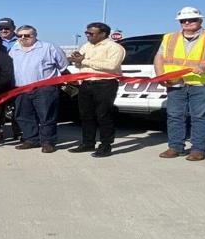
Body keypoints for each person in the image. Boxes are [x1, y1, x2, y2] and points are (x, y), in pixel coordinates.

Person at [153, 6, 205, 161]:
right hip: (175, 82)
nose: (187, 22)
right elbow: (159, 57)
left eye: (192, 19)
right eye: (183, 20)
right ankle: (175, 147)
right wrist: (160, 76)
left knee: (200, 116)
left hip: (201, 83)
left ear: (200, 20)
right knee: (174, 115)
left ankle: (198, 149)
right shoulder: (169, 37)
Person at [67, 21, 125, 157]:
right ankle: (88, 143)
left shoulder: (114, 47)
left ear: (103, 34)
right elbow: (79, 64)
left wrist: (84, 61)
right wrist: (76, 59)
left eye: (91, 33)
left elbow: (111, 66)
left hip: (105, 84)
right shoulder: (86, 46)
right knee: (86, 115)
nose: (87, 35)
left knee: (103, 115)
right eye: (86, 33)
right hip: (86, 84)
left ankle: (105, 145)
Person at [7, 25, 69, 153]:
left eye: (27, 35)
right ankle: (31, 139)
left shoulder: (48, 47)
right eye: (20, 36)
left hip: (44, 89)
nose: (23, 38)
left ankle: (48, 142)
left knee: (46, 116)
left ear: (35, 36)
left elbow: (63, 65)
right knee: (24, 116)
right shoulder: (14, 49)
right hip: (21, 89)